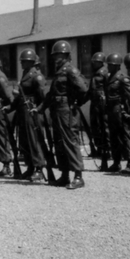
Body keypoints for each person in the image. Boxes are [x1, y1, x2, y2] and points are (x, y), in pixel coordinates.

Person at [45, 40, 89, 189]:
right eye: (55, 55)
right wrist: (39, 108)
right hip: (57, 110)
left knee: (70, 142)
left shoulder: (71, 70)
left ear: (67, 55)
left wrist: (77, 103)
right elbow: (51, 94)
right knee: (59, 143)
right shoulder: (59, 71)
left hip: (66, 111)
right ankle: (64, 175)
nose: (57, 58)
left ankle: (78, 176)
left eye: (60, 55)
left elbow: (83, 90)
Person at [16, 49, 48, 182]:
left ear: (31, 62)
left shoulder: (37, 76)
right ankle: (30, 167)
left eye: (24, 61)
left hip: (32, 111)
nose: (22, 63)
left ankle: (39, 168)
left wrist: (38, 108)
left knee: (34, 140)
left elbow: (43, 96)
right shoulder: (25, 74)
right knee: (24, 140)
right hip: (24, 111)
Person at [104, 53, 130, 174]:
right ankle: (116, 162)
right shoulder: (109, 77)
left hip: (120, 110)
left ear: (117, 66)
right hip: (111, 111)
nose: (108, 67)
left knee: (125, 136)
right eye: (108, 65)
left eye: (111, 65)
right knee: (113, 137)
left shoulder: (123, 78)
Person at [88, 52, 111, 170]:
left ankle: (107, 151)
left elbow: (109, 88)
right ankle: (99, 148)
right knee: (95, 127)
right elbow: (90, 90)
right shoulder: (94, 73)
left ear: (101, 62)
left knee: (104, 128)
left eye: (96, 61)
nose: (94, 63)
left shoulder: (105, 73)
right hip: (94, 103)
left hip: (102, 103)